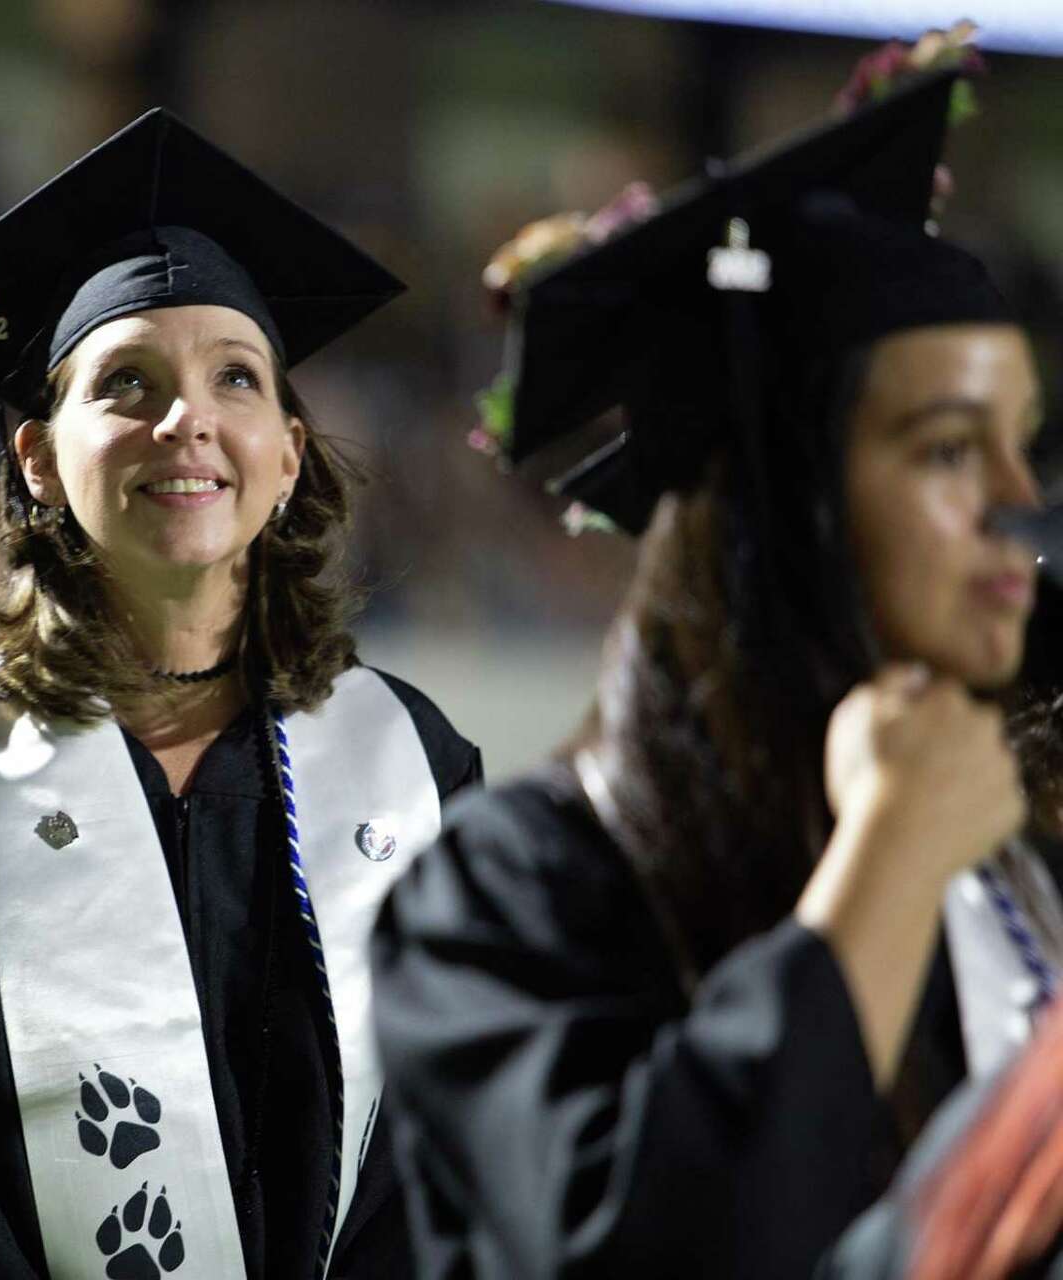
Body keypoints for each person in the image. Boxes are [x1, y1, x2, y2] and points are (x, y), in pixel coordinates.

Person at [371, 53, 1053, 1280]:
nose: (1018, 501)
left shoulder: (1021, 866)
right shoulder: (514, 888)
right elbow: (645, 1250)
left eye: (1024, 446)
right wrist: (888, 859)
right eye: (952, 449)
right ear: (786, 504)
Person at [0, 109, 483, 1278]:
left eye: (235, 376)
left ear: (288, 451)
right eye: (127, 382)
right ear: (37, 459)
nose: (189, 420)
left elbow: (462, 1147)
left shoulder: (414, 762)